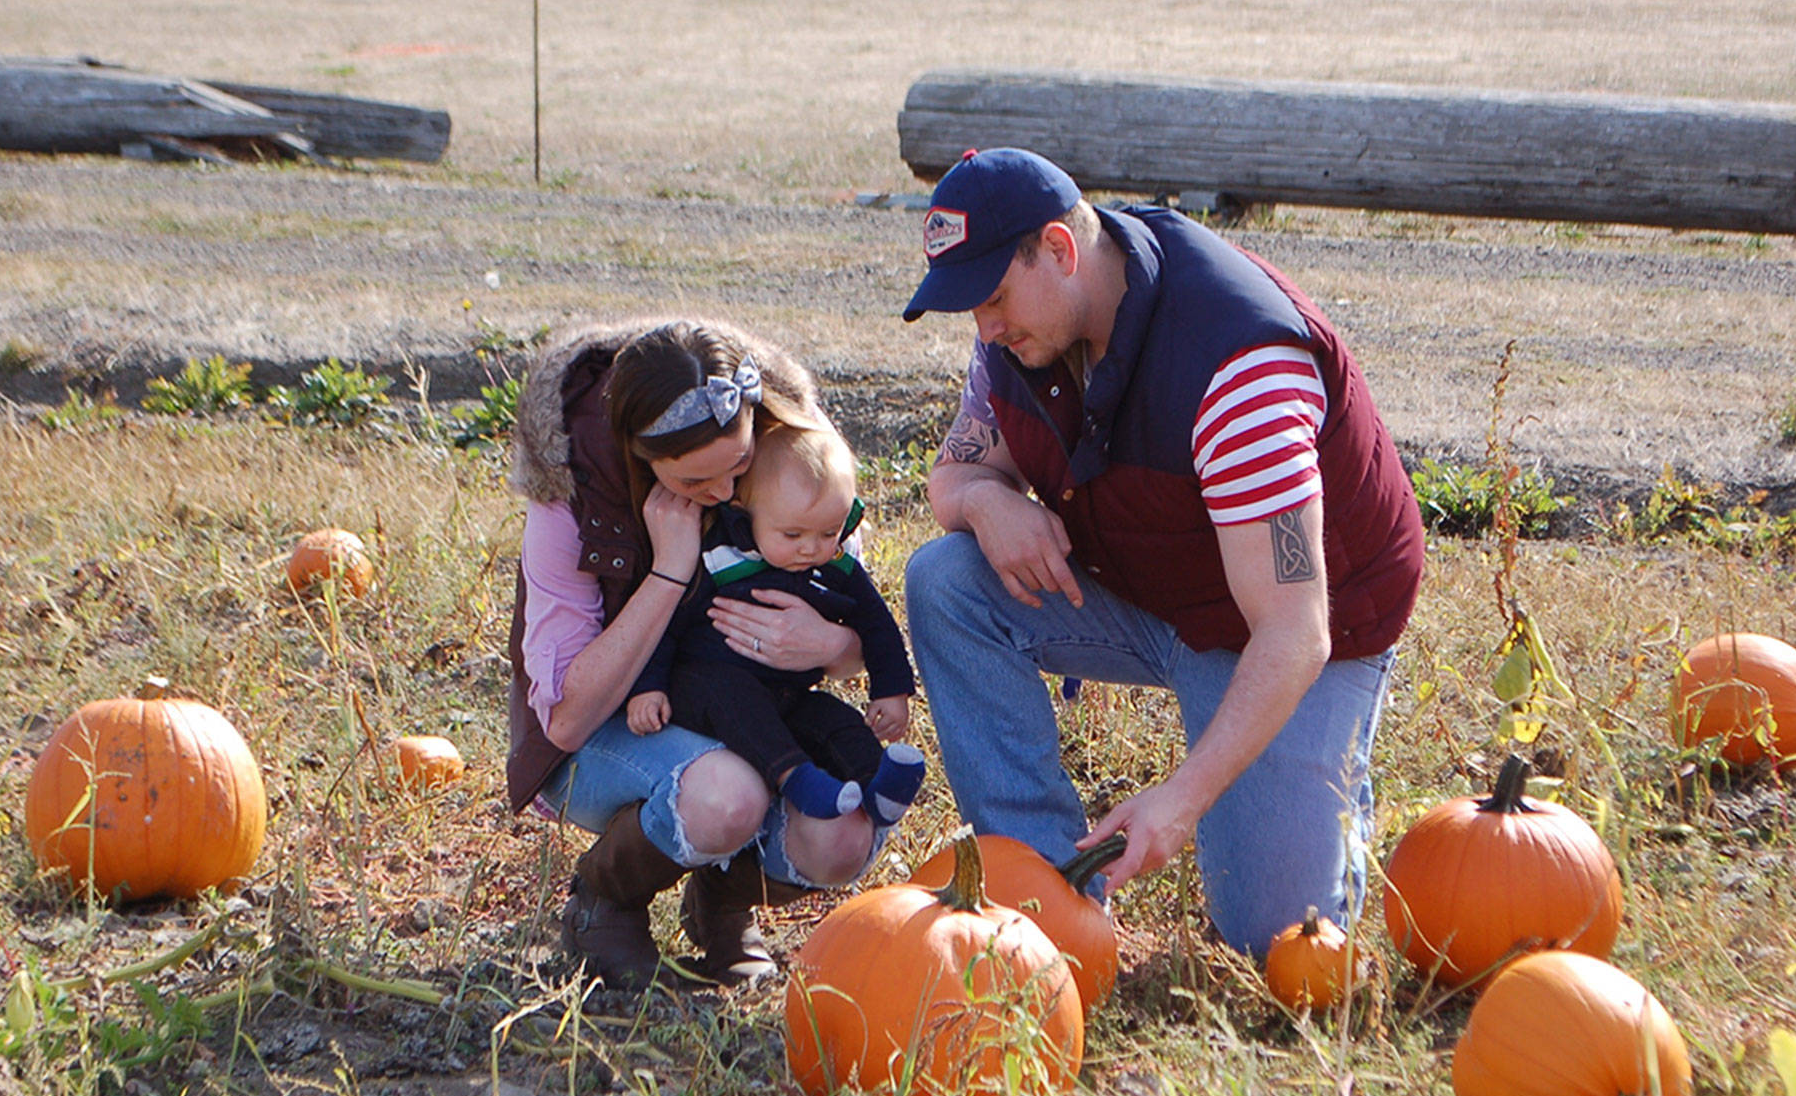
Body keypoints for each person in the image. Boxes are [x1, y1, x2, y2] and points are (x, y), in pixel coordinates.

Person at [899, 147, 1424, 958]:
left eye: (994, 296)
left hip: (1293, 632)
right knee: (946, 580)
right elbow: (956, 474)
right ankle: (1046, 886)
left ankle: (1325, 778)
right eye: (972, 307)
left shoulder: (1240, 369)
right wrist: (985, 500)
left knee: (1274, 937)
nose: (986, 327)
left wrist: (1178, 800)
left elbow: (1295, 628)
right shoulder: (1022, 335)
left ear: (1061, 250)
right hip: (1157, 588)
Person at [505, 318, 887, 988]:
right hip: (603, 740)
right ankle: (603, 904)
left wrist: (834, 643)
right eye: (693, 480)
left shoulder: (786, 451)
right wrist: (669, 572)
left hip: (746, 713)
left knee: (841, 835)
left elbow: (854, 628)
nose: (721, 494)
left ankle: (722, 900)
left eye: (737, 467)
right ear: (638, 452)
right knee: (726, 795)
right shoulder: (570, 496)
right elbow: (565, 718)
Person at [626, 421, 927, 826]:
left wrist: (892, 690)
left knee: (833, 719)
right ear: (746, 516)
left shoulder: (834, 564)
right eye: (792, 534)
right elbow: (666, 626)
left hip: (787, 694)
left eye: (828, 532)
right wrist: (648, 687)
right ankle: (794, 777)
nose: (811, 548)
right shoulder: (720, 560)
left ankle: (877, 787)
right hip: (706, 690)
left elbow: (877, 623)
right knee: (730, 693)